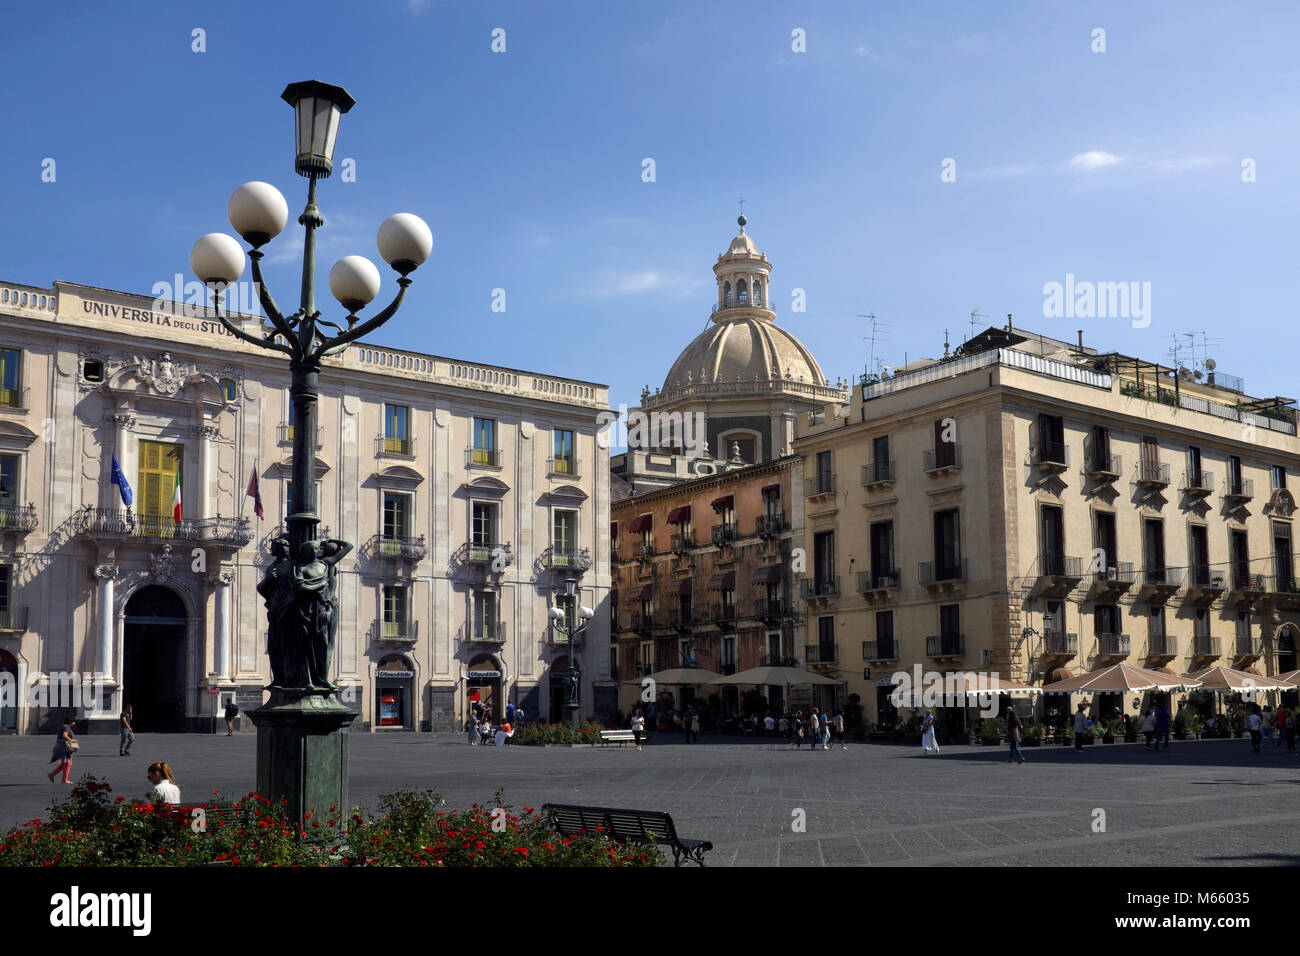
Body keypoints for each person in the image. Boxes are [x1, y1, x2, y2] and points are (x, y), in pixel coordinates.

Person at [48, 718, 77, 784]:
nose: (74, 723)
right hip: (64, 747)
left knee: (64, 763)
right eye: (73, 722)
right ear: (70, 722)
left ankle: (52, 774)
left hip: (61, 747)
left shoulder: (64, 726)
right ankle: (64, 780)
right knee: (67, 763)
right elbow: (64, 735)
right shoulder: (67, 727)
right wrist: (71, 740)